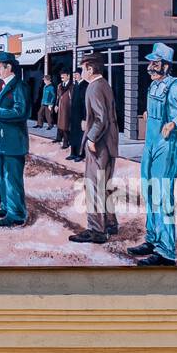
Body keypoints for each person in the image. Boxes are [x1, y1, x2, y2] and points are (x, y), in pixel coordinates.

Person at [128, 42, 177, 266]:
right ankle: (152, 240)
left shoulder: (176, 86)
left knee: (163, 197)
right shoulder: (154, 85)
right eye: (151, 62)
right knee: (149, 192)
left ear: (166, 65)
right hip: (151, 145)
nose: (151, 66)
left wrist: (175, 122)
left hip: (167, 146)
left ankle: (167, 251)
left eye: (156, 63)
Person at [70, 54, 118, 243]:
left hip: (99, 144)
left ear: (90, 69)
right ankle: (110, 224)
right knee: (104, 185)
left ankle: (97, 230)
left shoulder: (94, 87)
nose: (81, 72)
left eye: (83, 69)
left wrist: (91, 137)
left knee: (93, 187)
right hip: (109, 143)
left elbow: (101, 118)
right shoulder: (104, 84)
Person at [0, 51, 29, 227]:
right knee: (0, 175)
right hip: (0, 140)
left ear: (9, 67)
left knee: (12, 178)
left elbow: (22, 111)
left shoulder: (19, 86)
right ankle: (6, 207)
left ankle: (17, 214)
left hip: (14, 141)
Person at [68, 67, 88, 162]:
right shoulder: (75, 85)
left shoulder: (85, 85)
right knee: (73, 134)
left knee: (80, 135)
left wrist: (84, 118)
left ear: (81, 75)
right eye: (74, 74)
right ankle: (73, 153)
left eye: (76, 74)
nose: (75, 76)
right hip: (74, 115)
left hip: (81, 115)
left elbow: (85, 103)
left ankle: (80, 154)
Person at [55, 70, 73, 148]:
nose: (62, 76)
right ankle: (58, 138)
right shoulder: (59, 85)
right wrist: (56, 105)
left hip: (68, 108)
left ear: (68, 76)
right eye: (61, 75)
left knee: (66, 125)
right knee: (60, 123)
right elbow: (58, 97)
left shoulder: (71, 86)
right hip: (61, 107)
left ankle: (66, 142)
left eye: (64, 75)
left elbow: (72, 98)